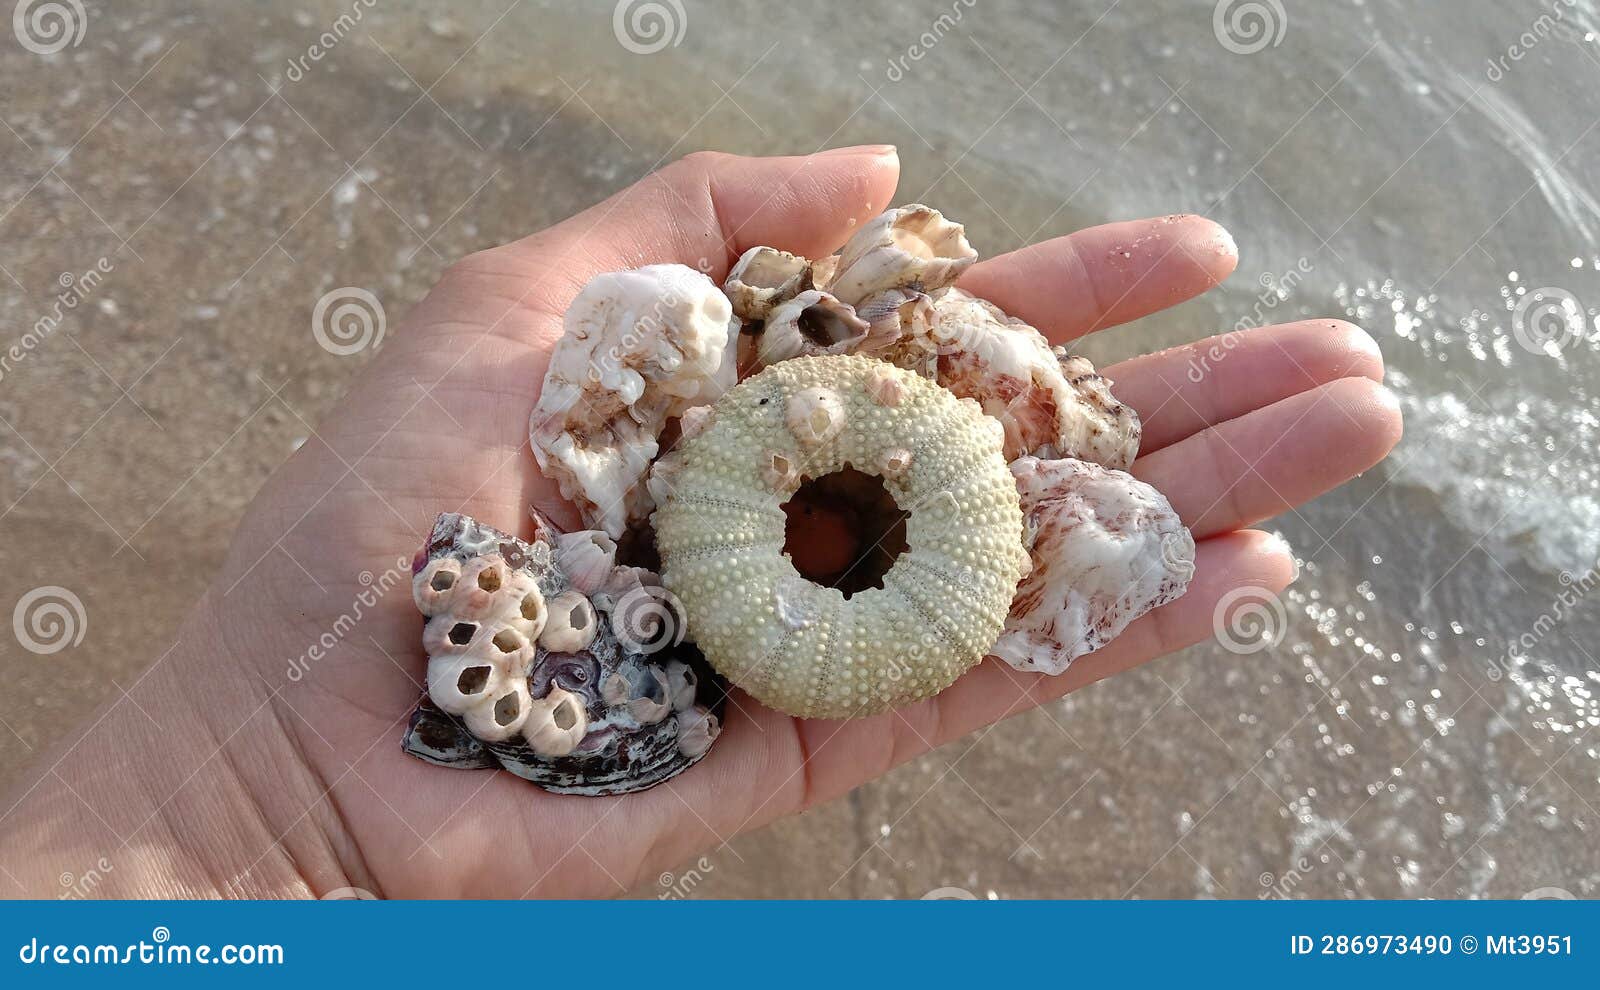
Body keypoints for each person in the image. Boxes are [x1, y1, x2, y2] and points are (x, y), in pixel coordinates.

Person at [0, 147, 1400, 898]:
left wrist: (245, 818)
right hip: (782, 548)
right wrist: (263, 819)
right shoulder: (720, 466)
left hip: (865, 541)